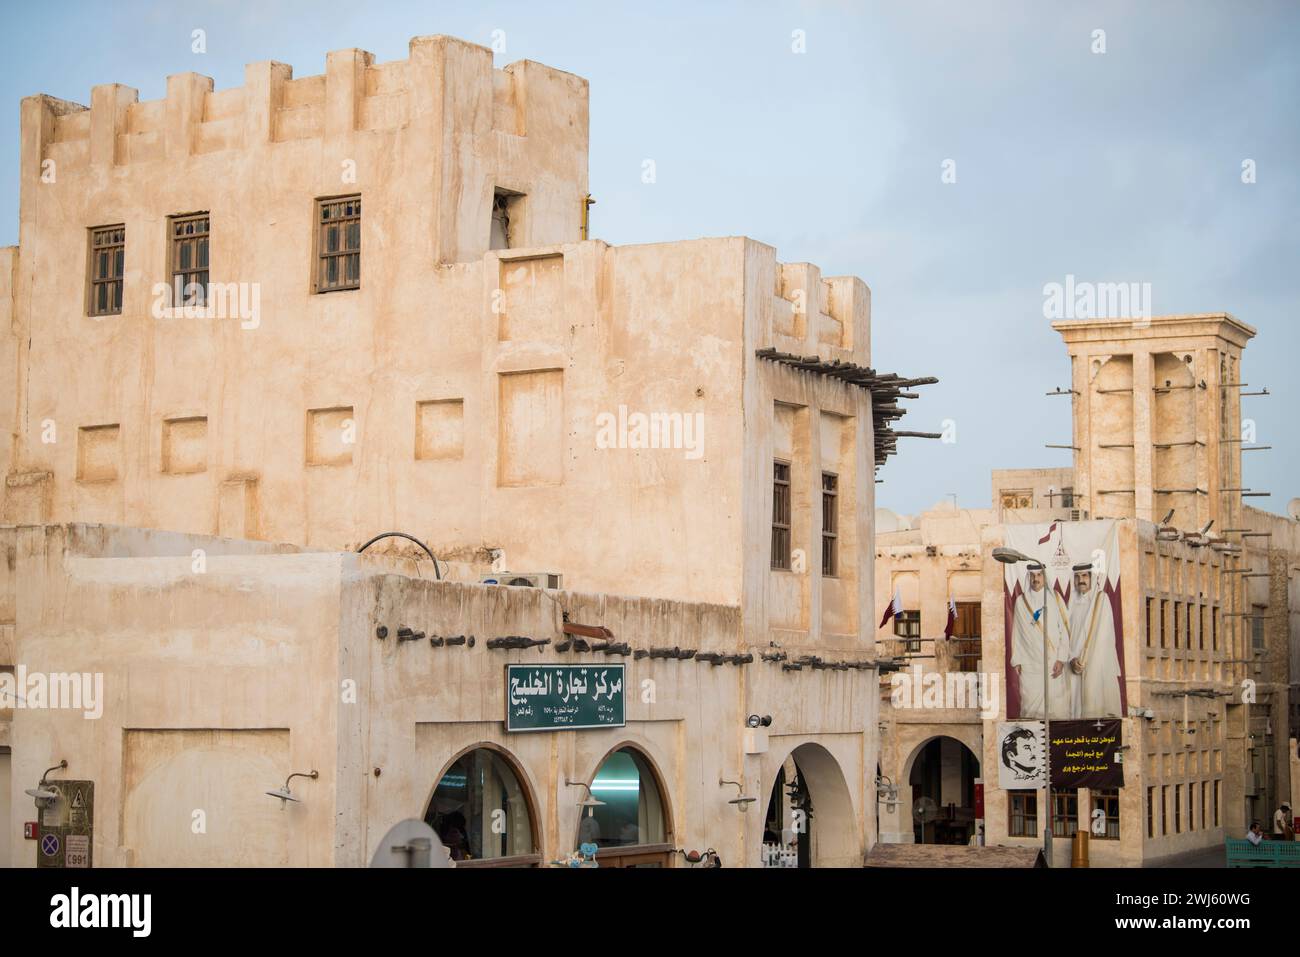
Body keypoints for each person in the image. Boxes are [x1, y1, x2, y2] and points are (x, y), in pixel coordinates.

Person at [1010, 565, 1071, 719]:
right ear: (1028, 577)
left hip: (1052, 662)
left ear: (1045, 577)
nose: (1036, 579)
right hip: (1030, 665)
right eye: (1032, 576)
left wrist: (1061, 658)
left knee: (1055, 706)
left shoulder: (1055, 598)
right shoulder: (1021, 601)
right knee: (1030, 707)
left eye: (1039, 575)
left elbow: (1065, 630)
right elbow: (1017, 632)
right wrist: (1017, 659)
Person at [1068, 562, 1123, 718]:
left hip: (1094, 666)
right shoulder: (1071, 604)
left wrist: (1085, 661)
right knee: (1075, 712)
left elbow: (1103, 639)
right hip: (1073, 667)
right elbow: (1065, 637)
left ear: (1091, 578)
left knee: (1094, 707)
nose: (1081, 580)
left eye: (1085, 575)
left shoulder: (1101, 600)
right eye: (1077, 577)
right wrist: (1071, 659)